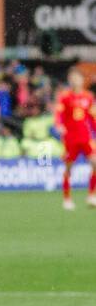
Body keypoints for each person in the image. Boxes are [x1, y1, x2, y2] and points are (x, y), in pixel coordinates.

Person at [52, 67, 95, 210]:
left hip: (86, 136)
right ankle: (67, 198)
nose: (75, 80)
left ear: (83, 80)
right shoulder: (64, 96)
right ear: (70, 80)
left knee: (95, 163)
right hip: (70, 137)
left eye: (78, 78)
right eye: (73, 78)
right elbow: (58, 114)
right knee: (69, 168)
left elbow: (93, 117)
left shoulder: (88, 97)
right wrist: (59, 125)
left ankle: (91, 195)